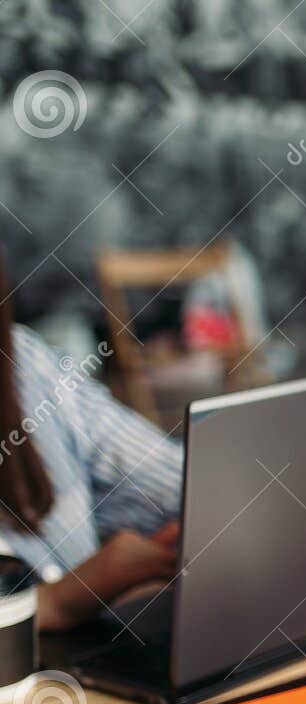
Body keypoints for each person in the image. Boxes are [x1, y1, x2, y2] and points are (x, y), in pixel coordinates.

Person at [0, 250, 184, 630]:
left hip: (89, 671)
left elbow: (177, 485)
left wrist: (210, 515)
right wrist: (61, 601)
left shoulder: (26, 365)